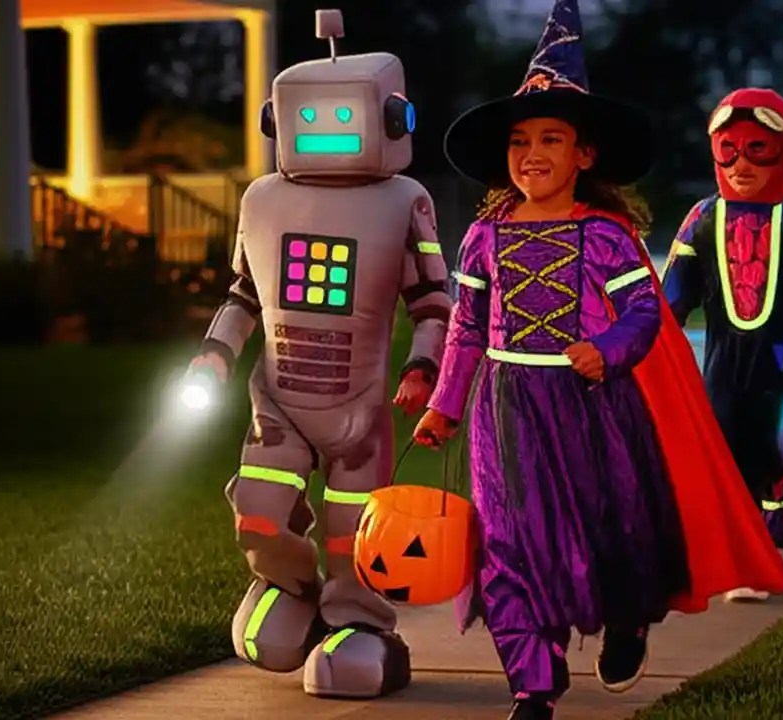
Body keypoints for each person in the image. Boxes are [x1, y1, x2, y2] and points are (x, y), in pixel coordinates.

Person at [412, 3, 783, 718]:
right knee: (507, 545)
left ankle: (627, 619)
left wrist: (608, 351)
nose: (532, 154)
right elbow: (466, 328)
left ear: (583, 156)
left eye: (550, 139)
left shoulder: (606, 237)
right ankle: (533, 686)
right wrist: (444, 407)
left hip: (593, 409)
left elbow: (646, 312)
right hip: (507, 411)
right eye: (519, 141)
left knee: (608, 532)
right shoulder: (484, 238)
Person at [187, 10, 451, 698]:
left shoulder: (405, 202)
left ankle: (360, 623)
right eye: (308, 118)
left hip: (360, 411)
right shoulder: (262, 200)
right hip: (277, 402)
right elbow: (244, 293)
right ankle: (291, 586)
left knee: (350, 532)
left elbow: (433, 301)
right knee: (257, 513)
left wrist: (424, 365)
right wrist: (215, 355)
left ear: (393, 119)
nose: (325, 131)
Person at [661, 88, 783, 602]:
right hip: (725, 365)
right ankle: (747, 561)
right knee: (728, 453)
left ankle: (781, 497)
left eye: (757, 149)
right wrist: (654, 348)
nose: (741, 164)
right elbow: (673, 293)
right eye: (729, 150)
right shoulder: (702, 219)